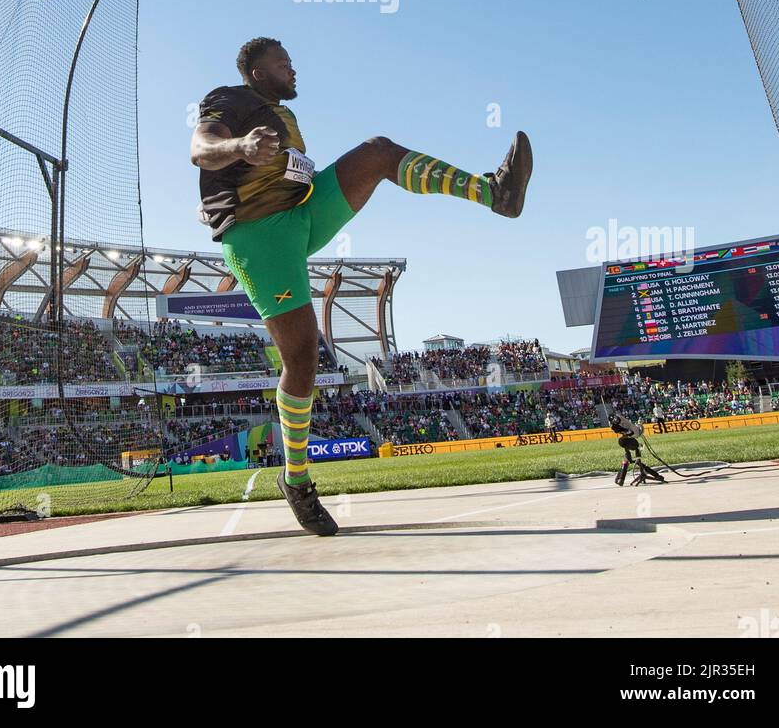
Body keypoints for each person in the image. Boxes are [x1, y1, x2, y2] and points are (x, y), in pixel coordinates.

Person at [191, 36, 533, 536]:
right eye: (283, 62)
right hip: (259, 236)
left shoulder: (280, 114)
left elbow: (289, 168)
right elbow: (201, 146)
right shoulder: (230, 99)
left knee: (376, 153)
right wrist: (238, 146)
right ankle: (297, 480)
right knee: (303, 357)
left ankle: (496, 193)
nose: (293, 68)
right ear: (257, 72)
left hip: (301, 215)